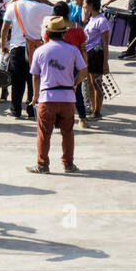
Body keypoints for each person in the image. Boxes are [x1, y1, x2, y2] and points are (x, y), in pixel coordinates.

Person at [26, 15, 86, 174]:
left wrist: (34, 96)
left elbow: (35, 76)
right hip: (67, 98)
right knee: (67, 133)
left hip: (47, 97)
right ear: (64, 33)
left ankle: (42, 164)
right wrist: (74, 84)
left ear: (48, 33)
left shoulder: (40, 51)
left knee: (44, 134)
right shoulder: (72, 49)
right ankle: (68, 164)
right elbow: (83, 70)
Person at [1, 0, 54, 120]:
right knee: (33, 79)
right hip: (36, 47)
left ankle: (15, 109)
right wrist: (44, 0)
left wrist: (3, 45)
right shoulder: (43, 8)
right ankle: (32, 109)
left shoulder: (13, 7)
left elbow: (4, 28)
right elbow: (58, 11)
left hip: (17, 48)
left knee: (17, 81)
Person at [82, 0, 111, 120]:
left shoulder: (102, 21)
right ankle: (93, 109)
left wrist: (105, 62)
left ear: (91, 5)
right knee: (90, 83)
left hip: (96, 54)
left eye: (85, 4)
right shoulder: (91, 19)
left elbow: (105, 44)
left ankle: (97, 111)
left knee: (96, 84)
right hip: (88, 54)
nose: (83, 6)